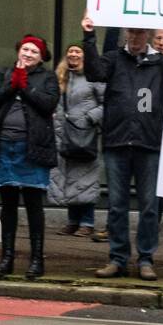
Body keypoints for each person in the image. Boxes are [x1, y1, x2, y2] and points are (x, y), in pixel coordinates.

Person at [81, 12, 163, 280]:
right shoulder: (113, 59)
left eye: (139, 33)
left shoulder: (160, 63)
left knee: (149, 205)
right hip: (117, 141)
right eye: (131, 33)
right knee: (117, 205)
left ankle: (146, 258)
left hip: (149, 143)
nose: (135, 38)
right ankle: (118, 258)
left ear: (146, 35)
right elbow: (93, 73)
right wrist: (89, 36)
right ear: (126, 34)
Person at [0, 35, 61, 280]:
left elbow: (48, 104)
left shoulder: (47, 78)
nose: (28, 54)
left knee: (34, 205)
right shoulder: (4, 73)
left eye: (34, 51)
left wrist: (24, 87)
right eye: (25, 49)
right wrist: (11, 85)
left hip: (32, 149)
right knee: (8, 205)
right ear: (18, 51)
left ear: (41, 57)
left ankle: (36, 260)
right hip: (5, 147)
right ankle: (7, 258)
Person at [49, 43, 105, 240]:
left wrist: (90, 118)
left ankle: (87, 222)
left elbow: (107, 103)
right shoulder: (61, 76)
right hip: (65, 135)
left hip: (86, 135)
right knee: (69, 176)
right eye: (70, 50)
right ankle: (73, 221)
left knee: (86, 178)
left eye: (77, 51)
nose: (73, 54)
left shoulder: (94, 77)